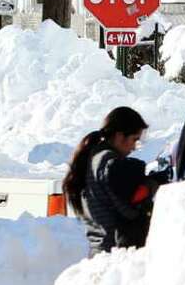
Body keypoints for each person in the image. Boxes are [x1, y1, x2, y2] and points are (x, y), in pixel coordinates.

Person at [63, 107, 168, 254]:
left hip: (100, 253)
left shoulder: (94, 157)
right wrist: (152, 184)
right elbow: (130, 208)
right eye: (134, 139)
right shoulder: (110, 163)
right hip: (114, 256)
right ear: (119, 136)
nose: (134, 147)